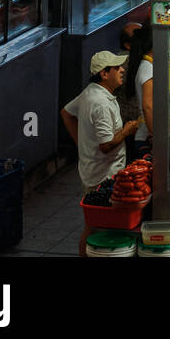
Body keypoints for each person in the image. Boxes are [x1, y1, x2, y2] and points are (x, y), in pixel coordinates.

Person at [61, 50, 139, 255]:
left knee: (94, 224)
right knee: (100, 228)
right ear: (104, 74)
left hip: (92, 168)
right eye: (116, 68)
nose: (122, 70)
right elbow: (106, 145)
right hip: (102, 175)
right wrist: (127, 131)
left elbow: (66, 113)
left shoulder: (90, 92)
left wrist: (82, 144)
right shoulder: (101, 103)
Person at [122, 25, 154, 158]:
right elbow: (147, 107)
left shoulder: (148, 65)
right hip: (146, 138)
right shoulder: (147, 68)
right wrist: (156, 137)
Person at [117, 22, 143, 161]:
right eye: (139, 37)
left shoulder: (143, 60)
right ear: (127, 45)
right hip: (127, 128)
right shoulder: (120, 65)